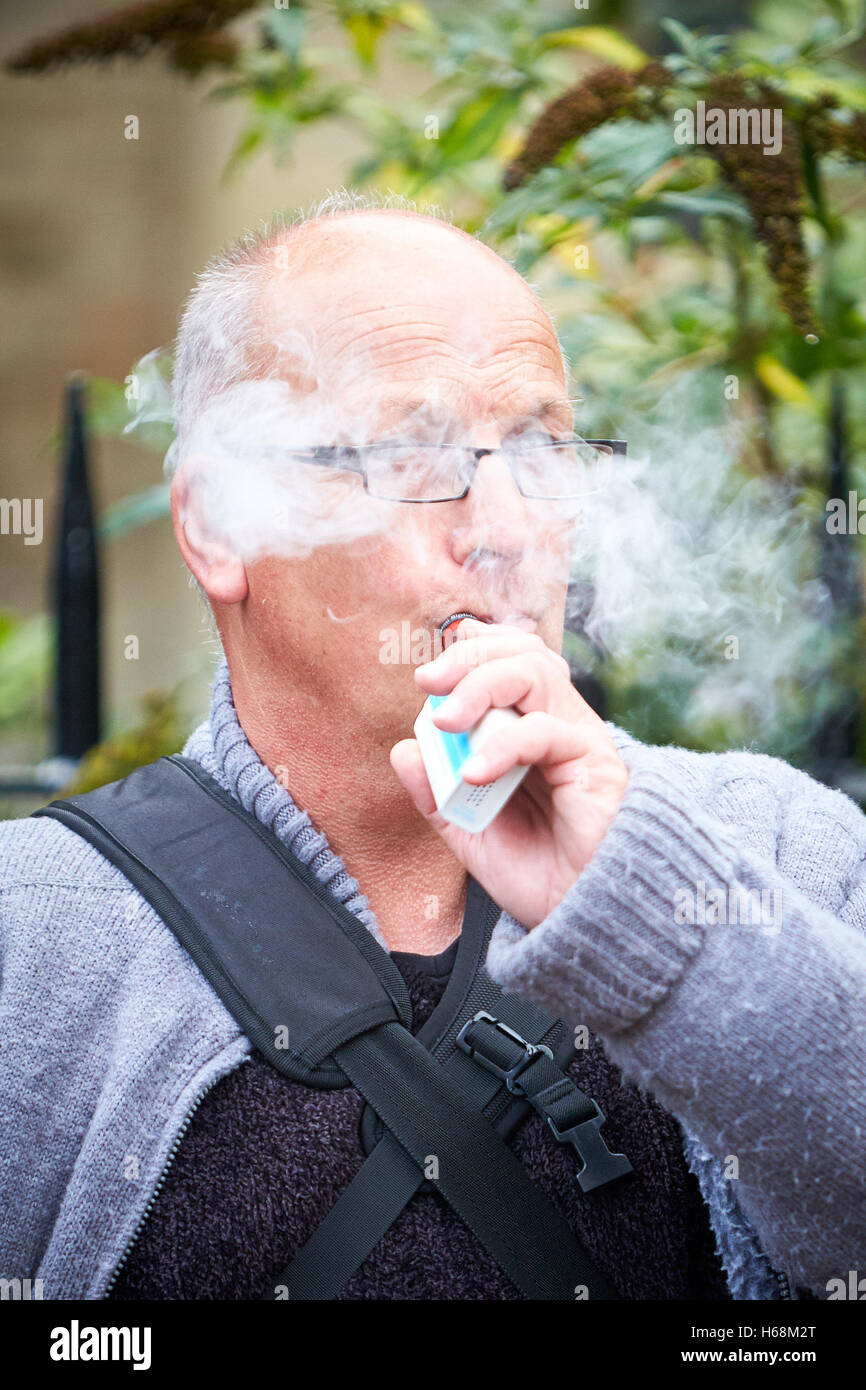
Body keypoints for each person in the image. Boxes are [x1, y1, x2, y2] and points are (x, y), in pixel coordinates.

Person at [1, 191, 864, 1302]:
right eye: (411, 451)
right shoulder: (34, 936)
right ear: (219, 522)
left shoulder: (770, 847)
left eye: (542, 448)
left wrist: (653, 909)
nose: (505, 528)